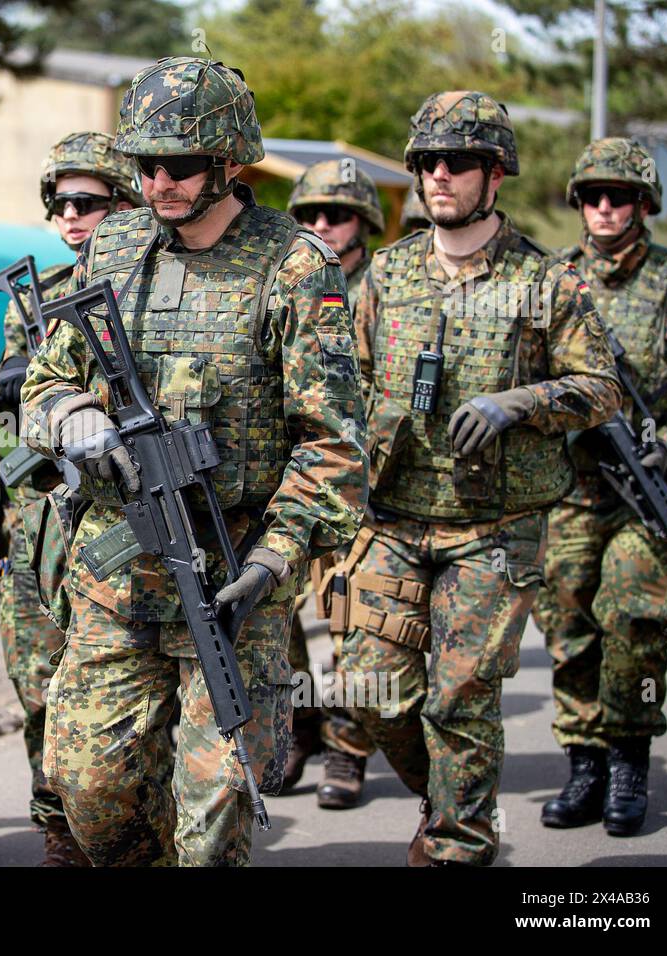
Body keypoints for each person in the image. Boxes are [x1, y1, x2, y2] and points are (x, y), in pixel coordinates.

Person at [22, 56, 368, 866]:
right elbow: (45, 381)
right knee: (88, 792)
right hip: (115, 571)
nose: (158, 183)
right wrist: (68, 415)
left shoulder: (294, 266)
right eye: (145, 165)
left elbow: (334, 447)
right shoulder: (113, 246)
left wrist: (275, 561)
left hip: (234, 579)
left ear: (229, 161)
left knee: (212, 824)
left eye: (179, 165)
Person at [341, 91, 622, 866]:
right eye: (427, 162)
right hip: (393, 518)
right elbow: (345, 385)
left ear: (495, 175)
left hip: (494, 528)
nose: (438, 176)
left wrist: (520, 402)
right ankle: (452, 799)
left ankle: (459, 843)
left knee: (461, 697)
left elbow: (603, 388)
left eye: (457, 162)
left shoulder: (546, 281)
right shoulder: (387, 275)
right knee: (373, 690)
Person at [532, 137, 667, 836]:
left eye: (620, 196)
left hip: (647, 487)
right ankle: (585, 763)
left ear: (643, 205)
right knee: (569, 625)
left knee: (632, 620)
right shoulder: (551, 279)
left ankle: (630, 759)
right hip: (570, 488)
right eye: (593, 195)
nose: (605, 207)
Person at [0, 131, 141, 866]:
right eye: (59, 203)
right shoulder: (39, 295)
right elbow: (11, 430)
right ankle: (59, 827)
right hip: (38, 522)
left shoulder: (150, 292)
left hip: (117, 520)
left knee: (114, 696)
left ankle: (136, 827)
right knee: (39, 685)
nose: (71, 216)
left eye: (89, 202)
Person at [281, 158, 385, 808]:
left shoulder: (389, 288)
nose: (322, 225)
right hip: (287, 480)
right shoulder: (285, 280)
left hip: (359, 489)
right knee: (272, 618)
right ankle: (299, 726)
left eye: (337, 214)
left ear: (363, 222)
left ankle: (347, 751)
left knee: (350, 621)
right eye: (311, 214)